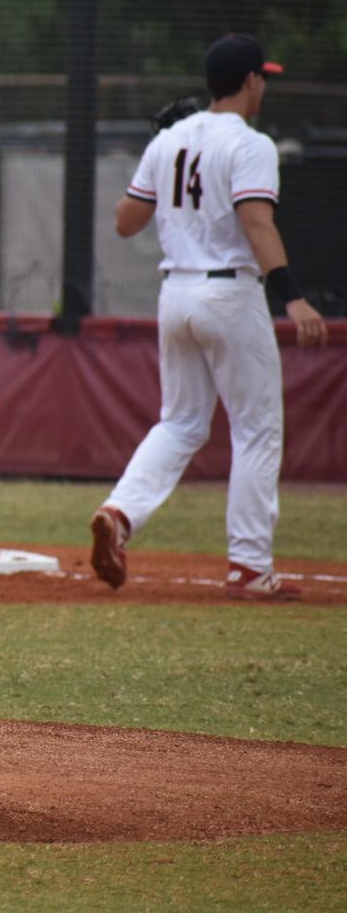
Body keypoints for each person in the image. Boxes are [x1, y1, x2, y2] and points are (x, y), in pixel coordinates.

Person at [89, 33, 329, 600]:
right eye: (263, 77)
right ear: (250, 81)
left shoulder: (171, 139)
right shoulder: (251, 144)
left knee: (180, 422)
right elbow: (255, 222)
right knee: (257, 428)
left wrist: (158, 152)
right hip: (229, 293)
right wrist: (291, 294)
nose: (264, 85)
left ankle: (120, 514)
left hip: (176, 295)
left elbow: (125, 222)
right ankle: (248, 566)